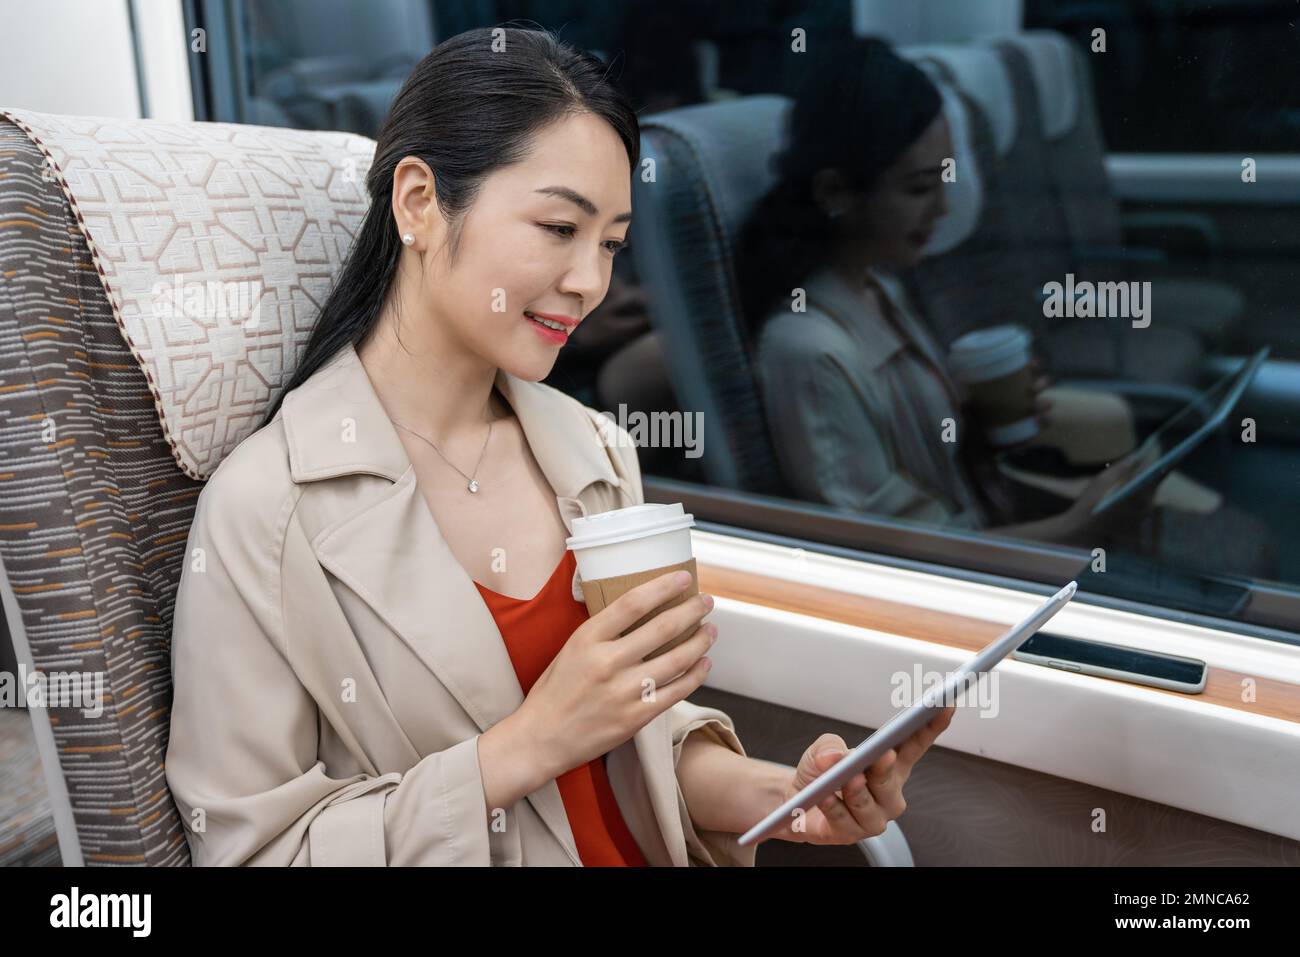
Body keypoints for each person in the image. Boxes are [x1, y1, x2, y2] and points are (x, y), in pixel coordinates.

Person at [164, 26, 954, 867]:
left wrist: (785, 796)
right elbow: (252, 853)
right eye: (557, 227)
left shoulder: (593, 448)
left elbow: (633, 749)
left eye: (611, 242)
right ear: (420, 202)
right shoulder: (265, 512)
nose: (590, 280)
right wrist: (529, 743)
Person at [740, 36, 1203, 553]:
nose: (941, 209)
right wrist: (1081, 527)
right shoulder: (808, 350)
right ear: (835, 193)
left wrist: (980, 413)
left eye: (944, 180)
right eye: (918, 189)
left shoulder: (880, 289)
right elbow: (889, 554)